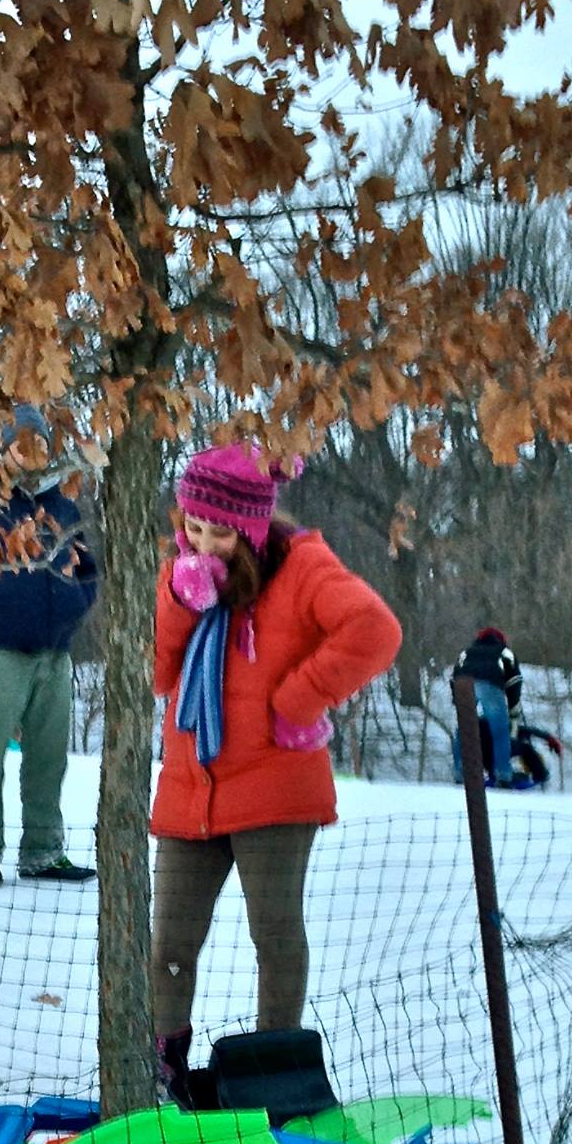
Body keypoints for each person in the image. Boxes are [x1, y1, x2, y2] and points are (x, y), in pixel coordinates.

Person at [150, 443, 401, 1100]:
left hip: (274, 786)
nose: (202, 541)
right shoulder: (179, 566)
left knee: (275, 939)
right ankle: (161, 1075)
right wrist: (182, 599)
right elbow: (155, 673)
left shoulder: (301, 565)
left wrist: (296, 700)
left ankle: (269, 1080)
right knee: (168, 946)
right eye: (192, 525)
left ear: (254, 527)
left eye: (219, 532)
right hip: (189, 788)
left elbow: (374, 630)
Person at [0, 404, 98, 888]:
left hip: (54, 653)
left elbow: (87, 568)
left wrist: (76, 603)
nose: (30, 451)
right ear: (5, 445)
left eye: (39, 441)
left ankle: (42, 851)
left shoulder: (62, 504)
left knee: (49, 759)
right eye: (21, 441)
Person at [449, 626, 524, 788]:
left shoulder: (467, 652)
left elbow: (453, 675)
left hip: (463, 685)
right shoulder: (505, 652)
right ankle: (503, 774)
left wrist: (457, 701)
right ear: (500, 640)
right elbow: (514, 681)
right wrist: (513, 708)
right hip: (490, 686)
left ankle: (460, 772)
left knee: (463, 730)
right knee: (499, 732)